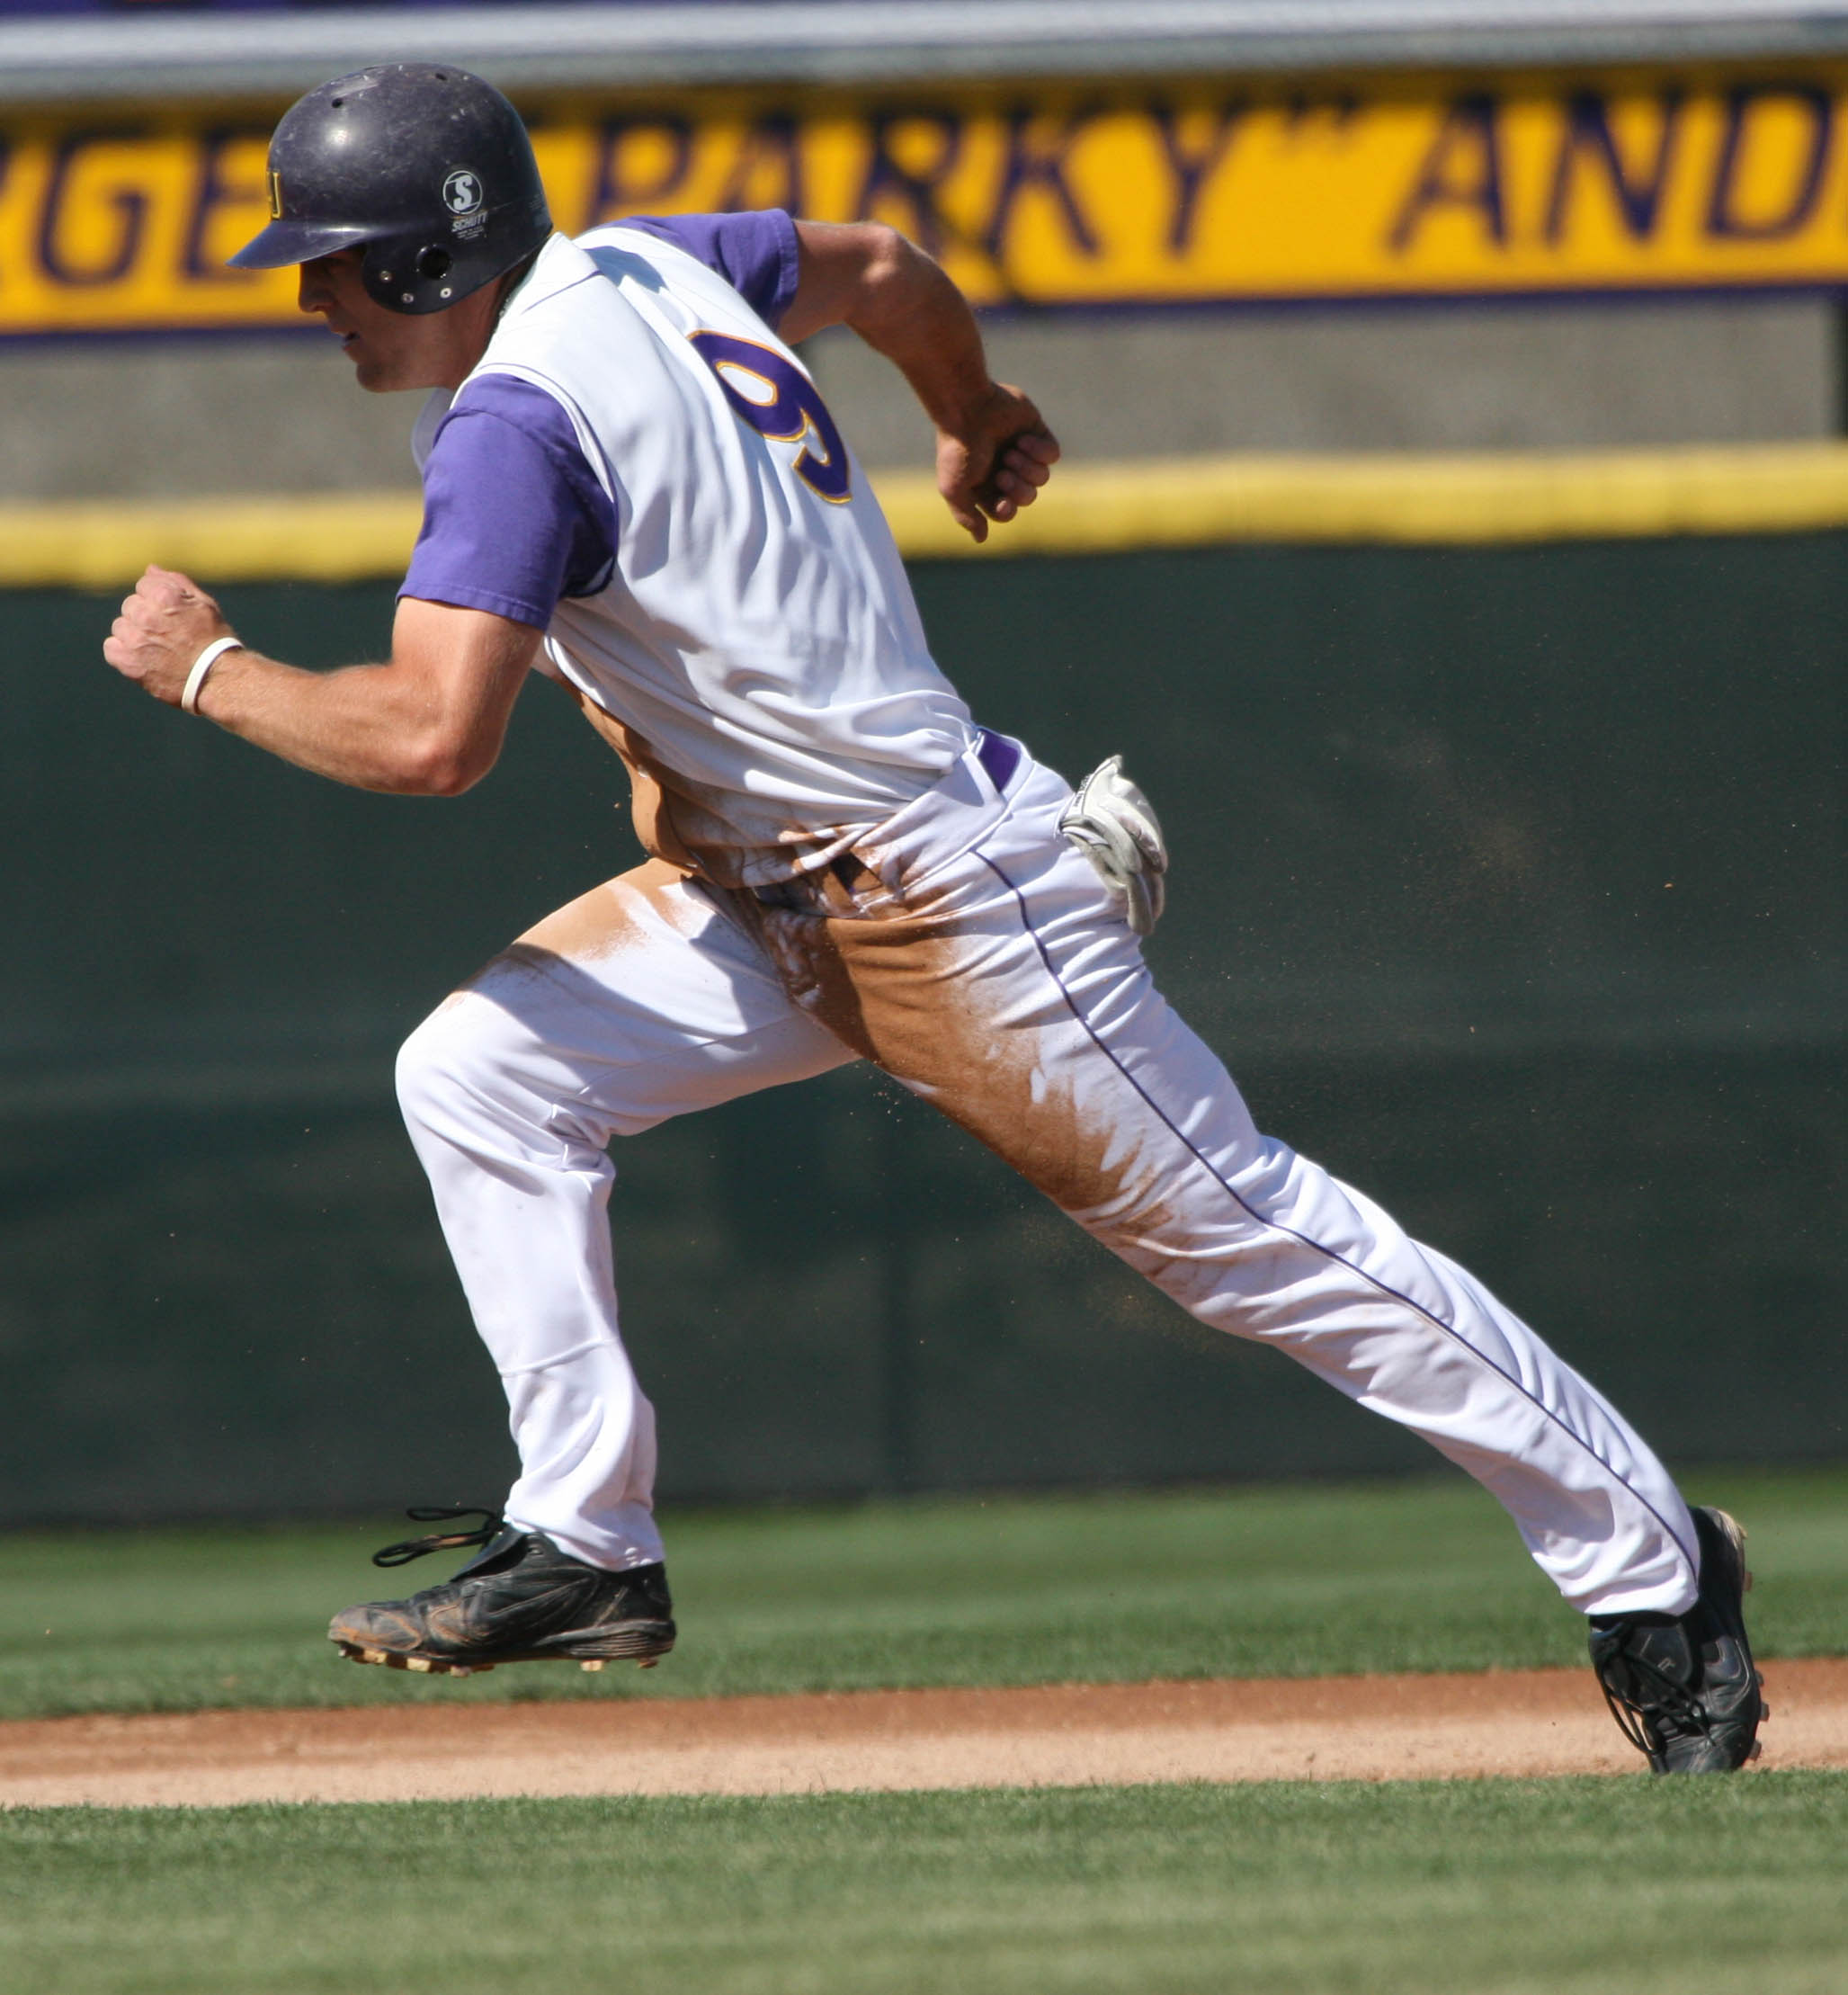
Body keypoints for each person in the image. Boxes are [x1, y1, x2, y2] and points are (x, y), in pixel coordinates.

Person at [103, 64, 1762, 1774]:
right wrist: (971, 406)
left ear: (442, 263)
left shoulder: (518, 425)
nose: (314, 296)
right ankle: (590, 1542)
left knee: (1252, 1242)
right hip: (762, 894)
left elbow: (433, 739)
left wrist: (209, 671)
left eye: (342, 260)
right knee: (479, 1075)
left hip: (941, 894)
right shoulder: (654, 264)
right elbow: (887, 269)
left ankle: (1655, 1565)